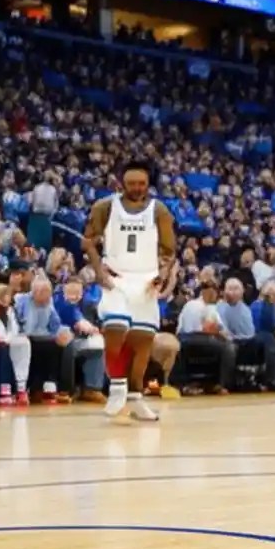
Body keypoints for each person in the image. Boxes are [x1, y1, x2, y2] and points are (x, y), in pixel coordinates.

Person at [82, 160, 177, 422]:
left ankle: (135, 397)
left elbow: (169, 252)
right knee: (115, 331)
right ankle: (117, 387)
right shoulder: (105, 207)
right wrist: (99, 271)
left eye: (142, 183)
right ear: (121, 182)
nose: (136, 188)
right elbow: (88, 241)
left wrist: (162, 274)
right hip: (116, 278)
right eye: (131, 183)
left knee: (142, 344)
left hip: (145, 281)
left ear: (148, 184)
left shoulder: (159, 210)